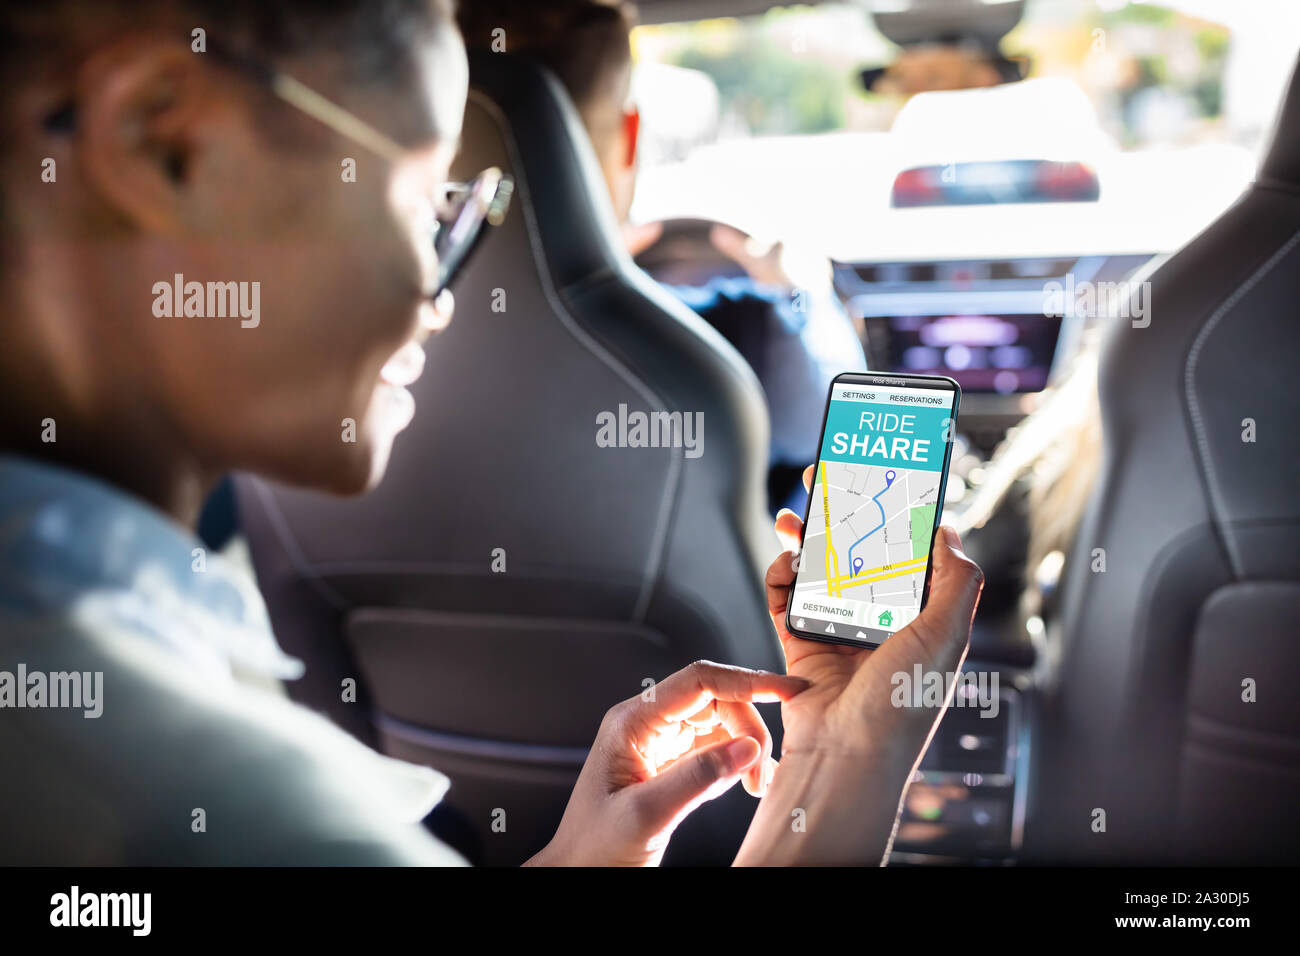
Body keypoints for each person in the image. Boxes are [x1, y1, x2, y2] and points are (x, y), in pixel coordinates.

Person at [0, 0, 982, 865]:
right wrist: (850, 752)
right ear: (163, 145)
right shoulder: (199, 792)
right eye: (433, 206)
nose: (447, 290)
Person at [456, 0, 867, 508]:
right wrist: (804, 298)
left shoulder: (381, 348)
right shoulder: (742, 342)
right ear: (630, 137)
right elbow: (849, 465)